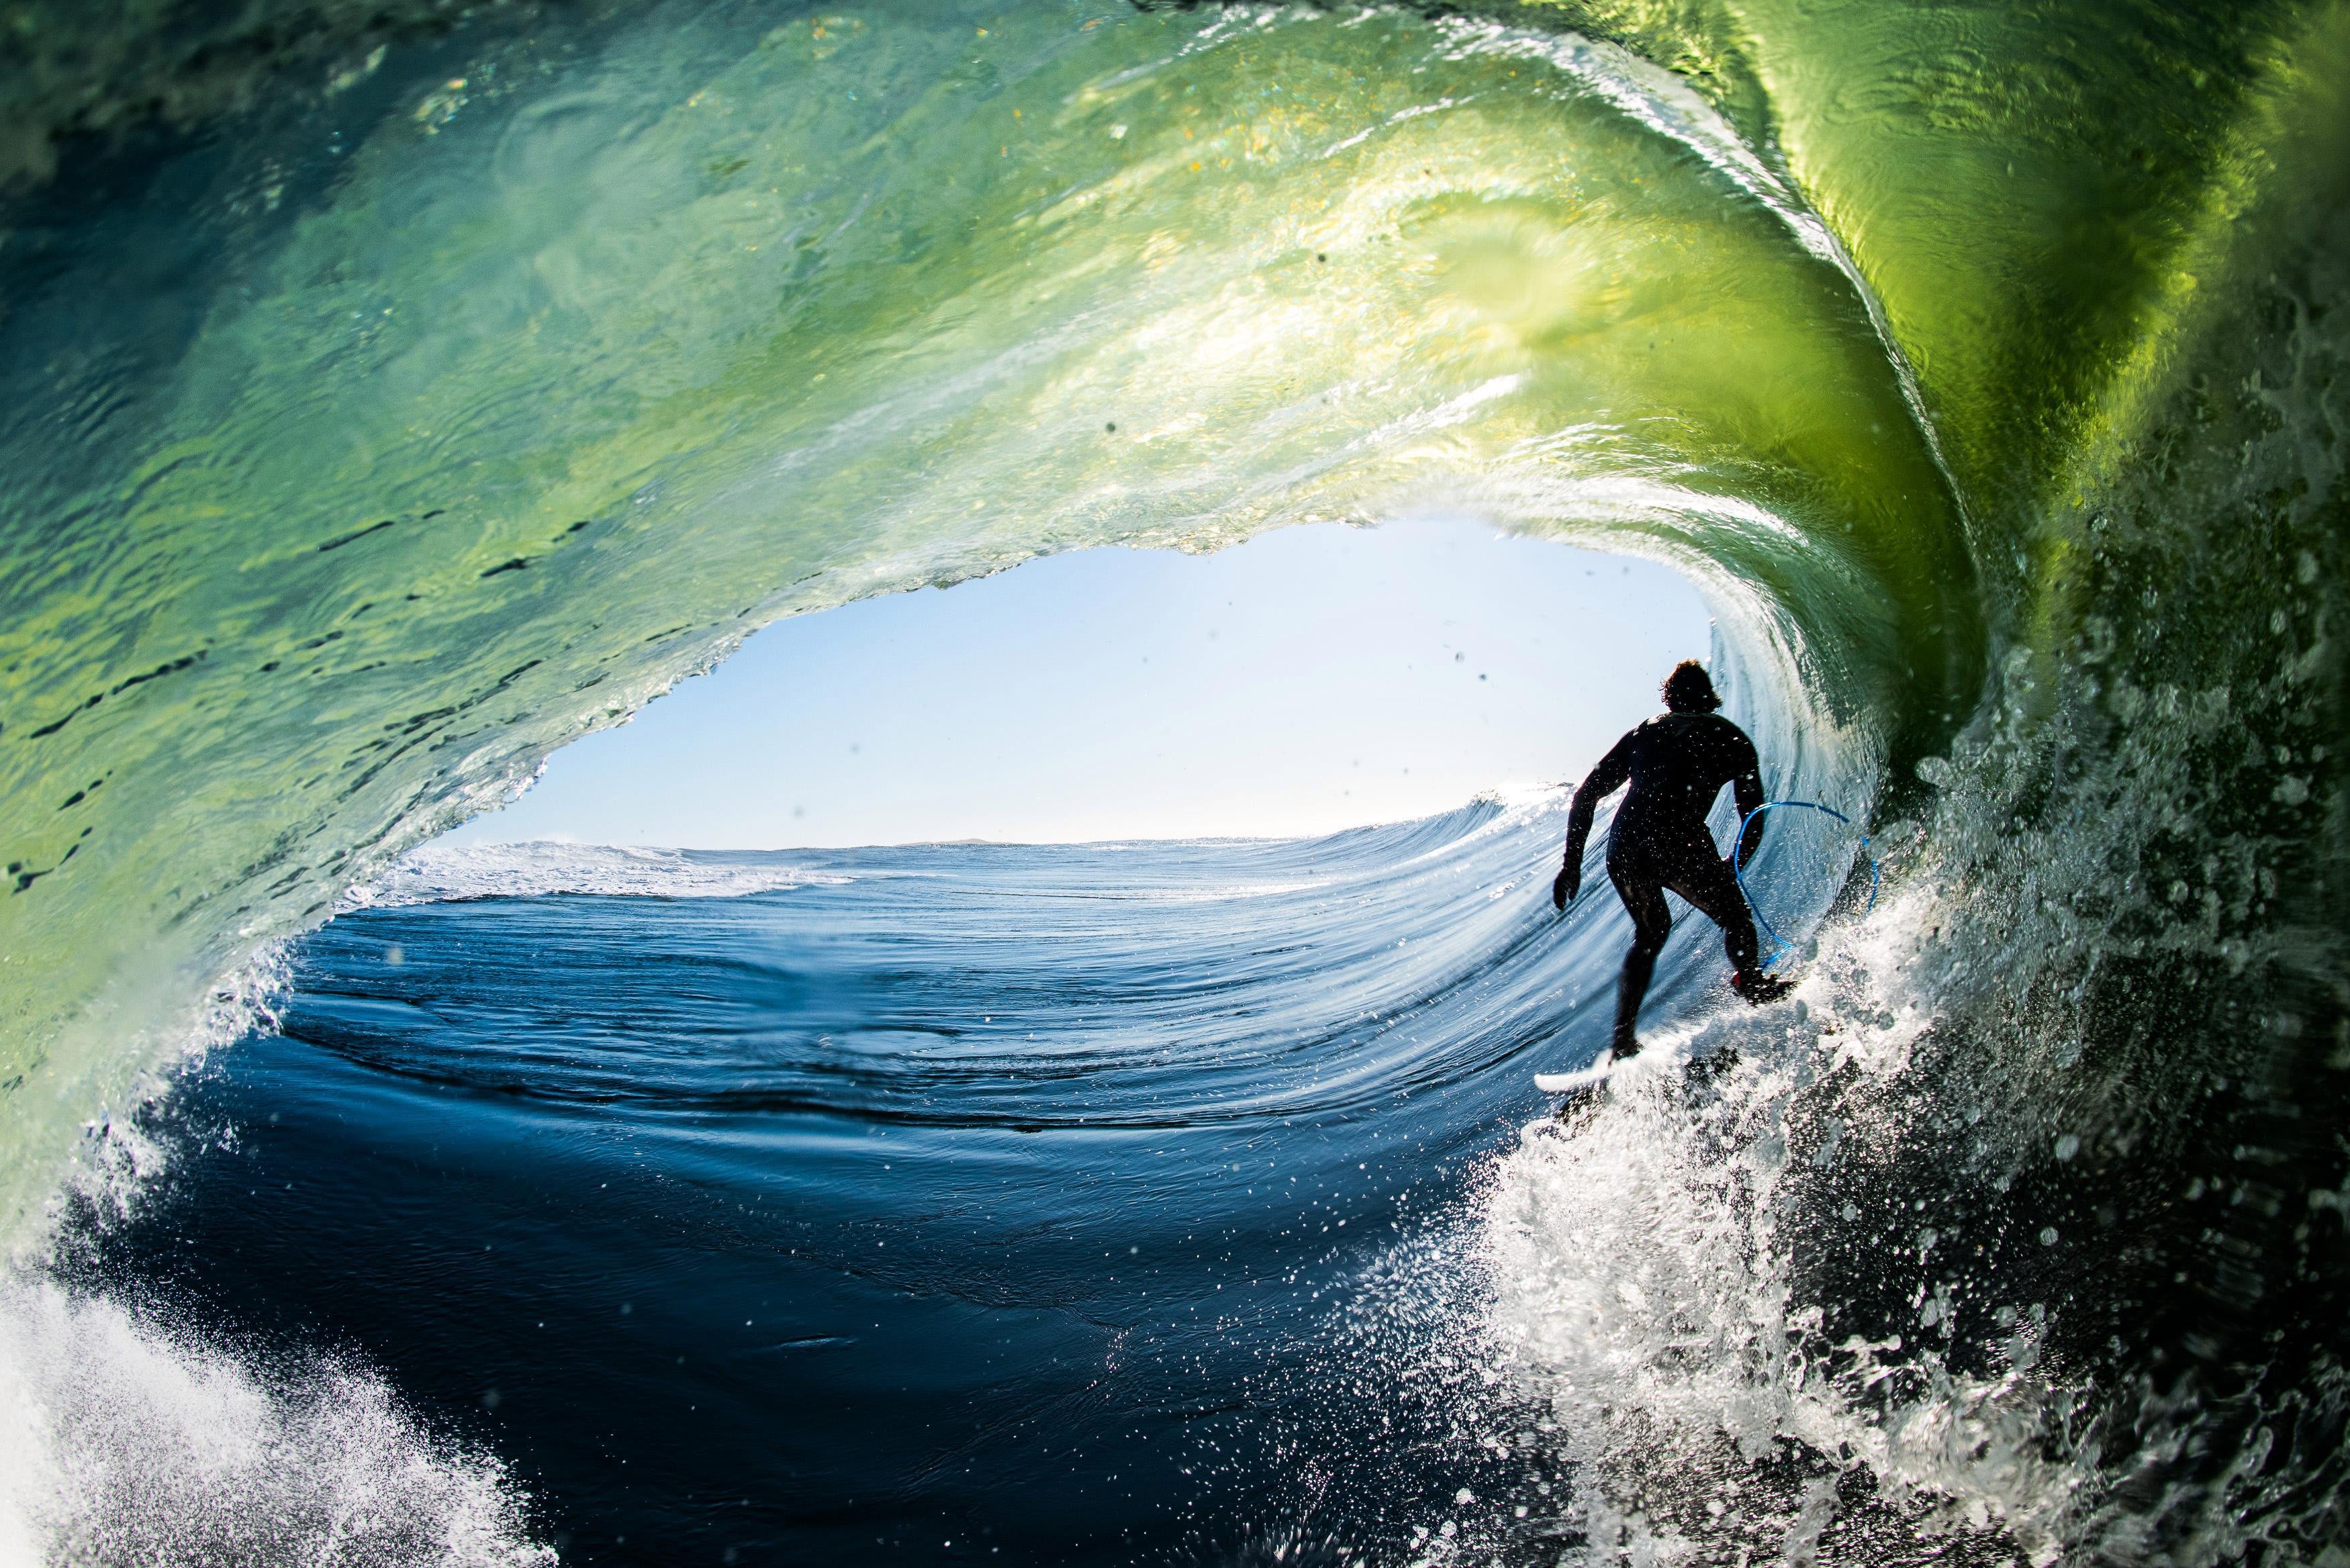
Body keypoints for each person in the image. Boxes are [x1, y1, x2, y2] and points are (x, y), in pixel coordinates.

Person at [1552, 659, 1790, 1057]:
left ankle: (1623, 1040)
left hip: (1625, 846)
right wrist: (1733, 865)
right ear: (1710, 698)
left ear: (1670, 697)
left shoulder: (1642, 732)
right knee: (1734, 917)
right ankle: (1750, 981)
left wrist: (1571, 865)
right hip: (1679, 842)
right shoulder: (1731, 739)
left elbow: (1586, 794)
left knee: (1650, 932)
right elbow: (1752, 816)